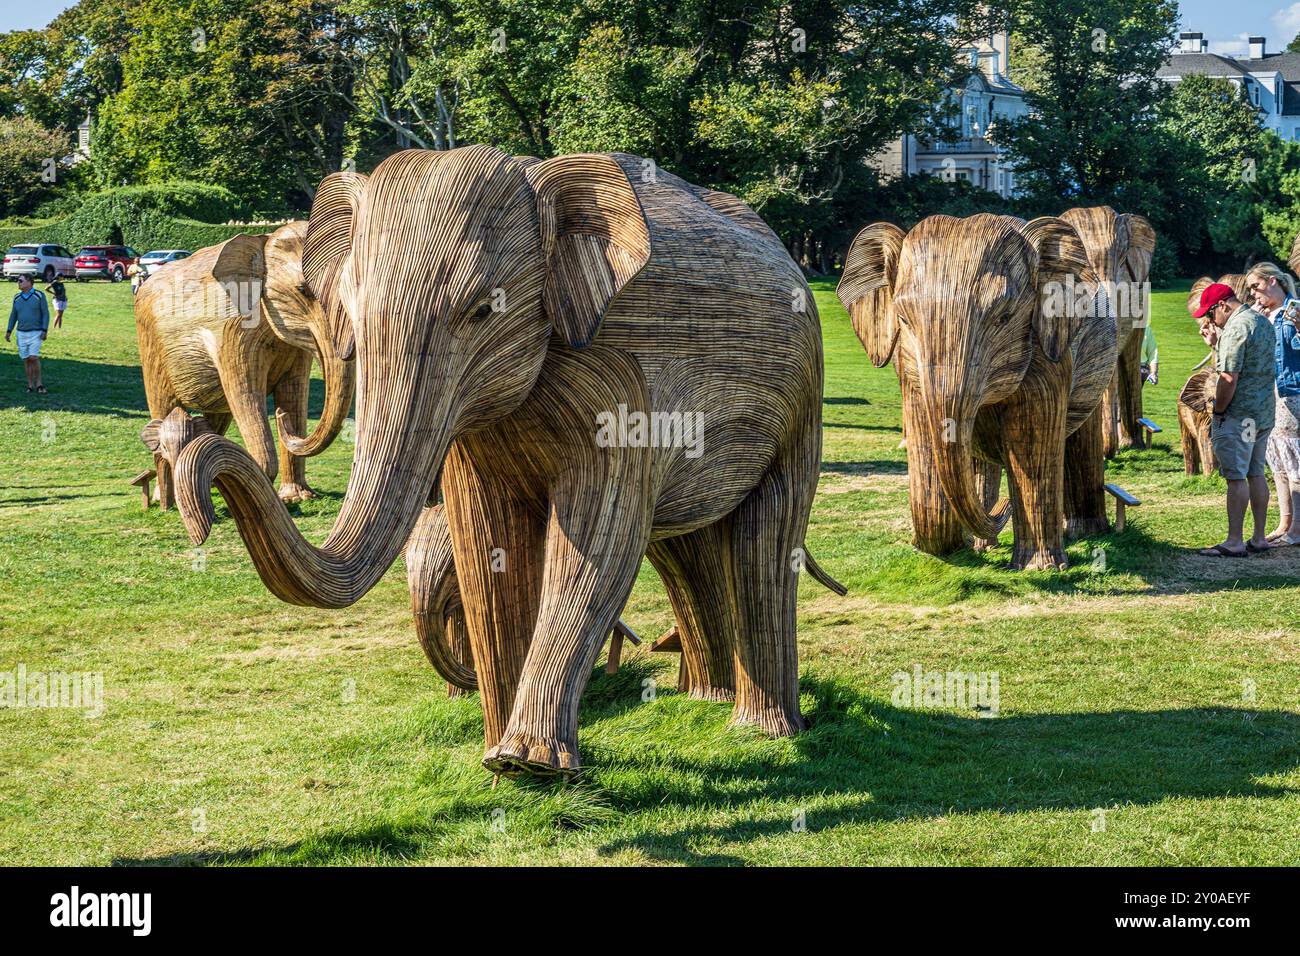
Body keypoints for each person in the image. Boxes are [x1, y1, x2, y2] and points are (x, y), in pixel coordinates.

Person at [1193, 282, 1275, 556]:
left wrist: (1218, 411)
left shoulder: (1235, 329)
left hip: (1239, 416)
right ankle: (1259, 537)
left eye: (1210, 313)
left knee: (1236, 477)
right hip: (1262, 413)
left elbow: (1228, 378)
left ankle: (1234, 541)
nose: (1208, 320)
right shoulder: (1261, 323)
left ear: (1223, 306)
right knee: (1256, 473)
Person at [1245, 261, 1300, 544]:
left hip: (1294, 393)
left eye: (1256, 286)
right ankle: (1284, 524)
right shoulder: (1264, 315)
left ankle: (1297, 529)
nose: (1254, 293)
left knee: (1294, 461)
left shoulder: (1295, 310)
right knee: (1277, 458)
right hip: (1271, 394)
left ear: (1273, 281)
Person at [5, 274, 50, 393]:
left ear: (29, 282)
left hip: (36, 332)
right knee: (26, 359)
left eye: (20, 280)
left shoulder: (39, 295)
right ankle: (30, 385)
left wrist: (45, 330)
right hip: (21, 333)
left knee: (33, 357)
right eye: (18, 281)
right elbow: (13, 315)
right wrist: (9, 330)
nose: (18, 283)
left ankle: (39, 384)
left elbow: (45, 313)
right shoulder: (17, 297)